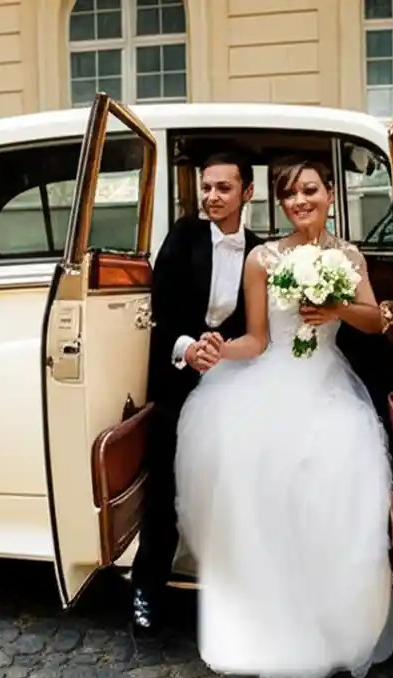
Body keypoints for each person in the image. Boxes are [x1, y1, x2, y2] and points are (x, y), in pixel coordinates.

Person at [173, 157, 393, 678]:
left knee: (337, 483)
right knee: (257, 483)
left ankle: (335, 628)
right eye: (291, 194)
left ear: (330, 195)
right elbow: (257, 338)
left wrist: (336, 307)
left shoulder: (349, 255)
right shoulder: (264, 258)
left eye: (310, 191)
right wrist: (218, 350)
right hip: (272, 380)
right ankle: (267, 627)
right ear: (280, 203)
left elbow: (374, 320)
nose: (301, 201)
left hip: (329, 386)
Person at [130, 151, 265, 635]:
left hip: (236, 378)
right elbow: (160, 312)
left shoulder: (258, 251)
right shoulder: (183, 235)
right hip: (179, 377)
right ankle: (146, 587)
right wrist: (188, 349)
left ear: (247, 192)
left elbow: (258, 327)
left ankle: (233, 587)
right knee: (164, 483)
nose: (212, 196)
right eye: (207, 187)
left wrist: (223, 352)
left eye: (224, 188)